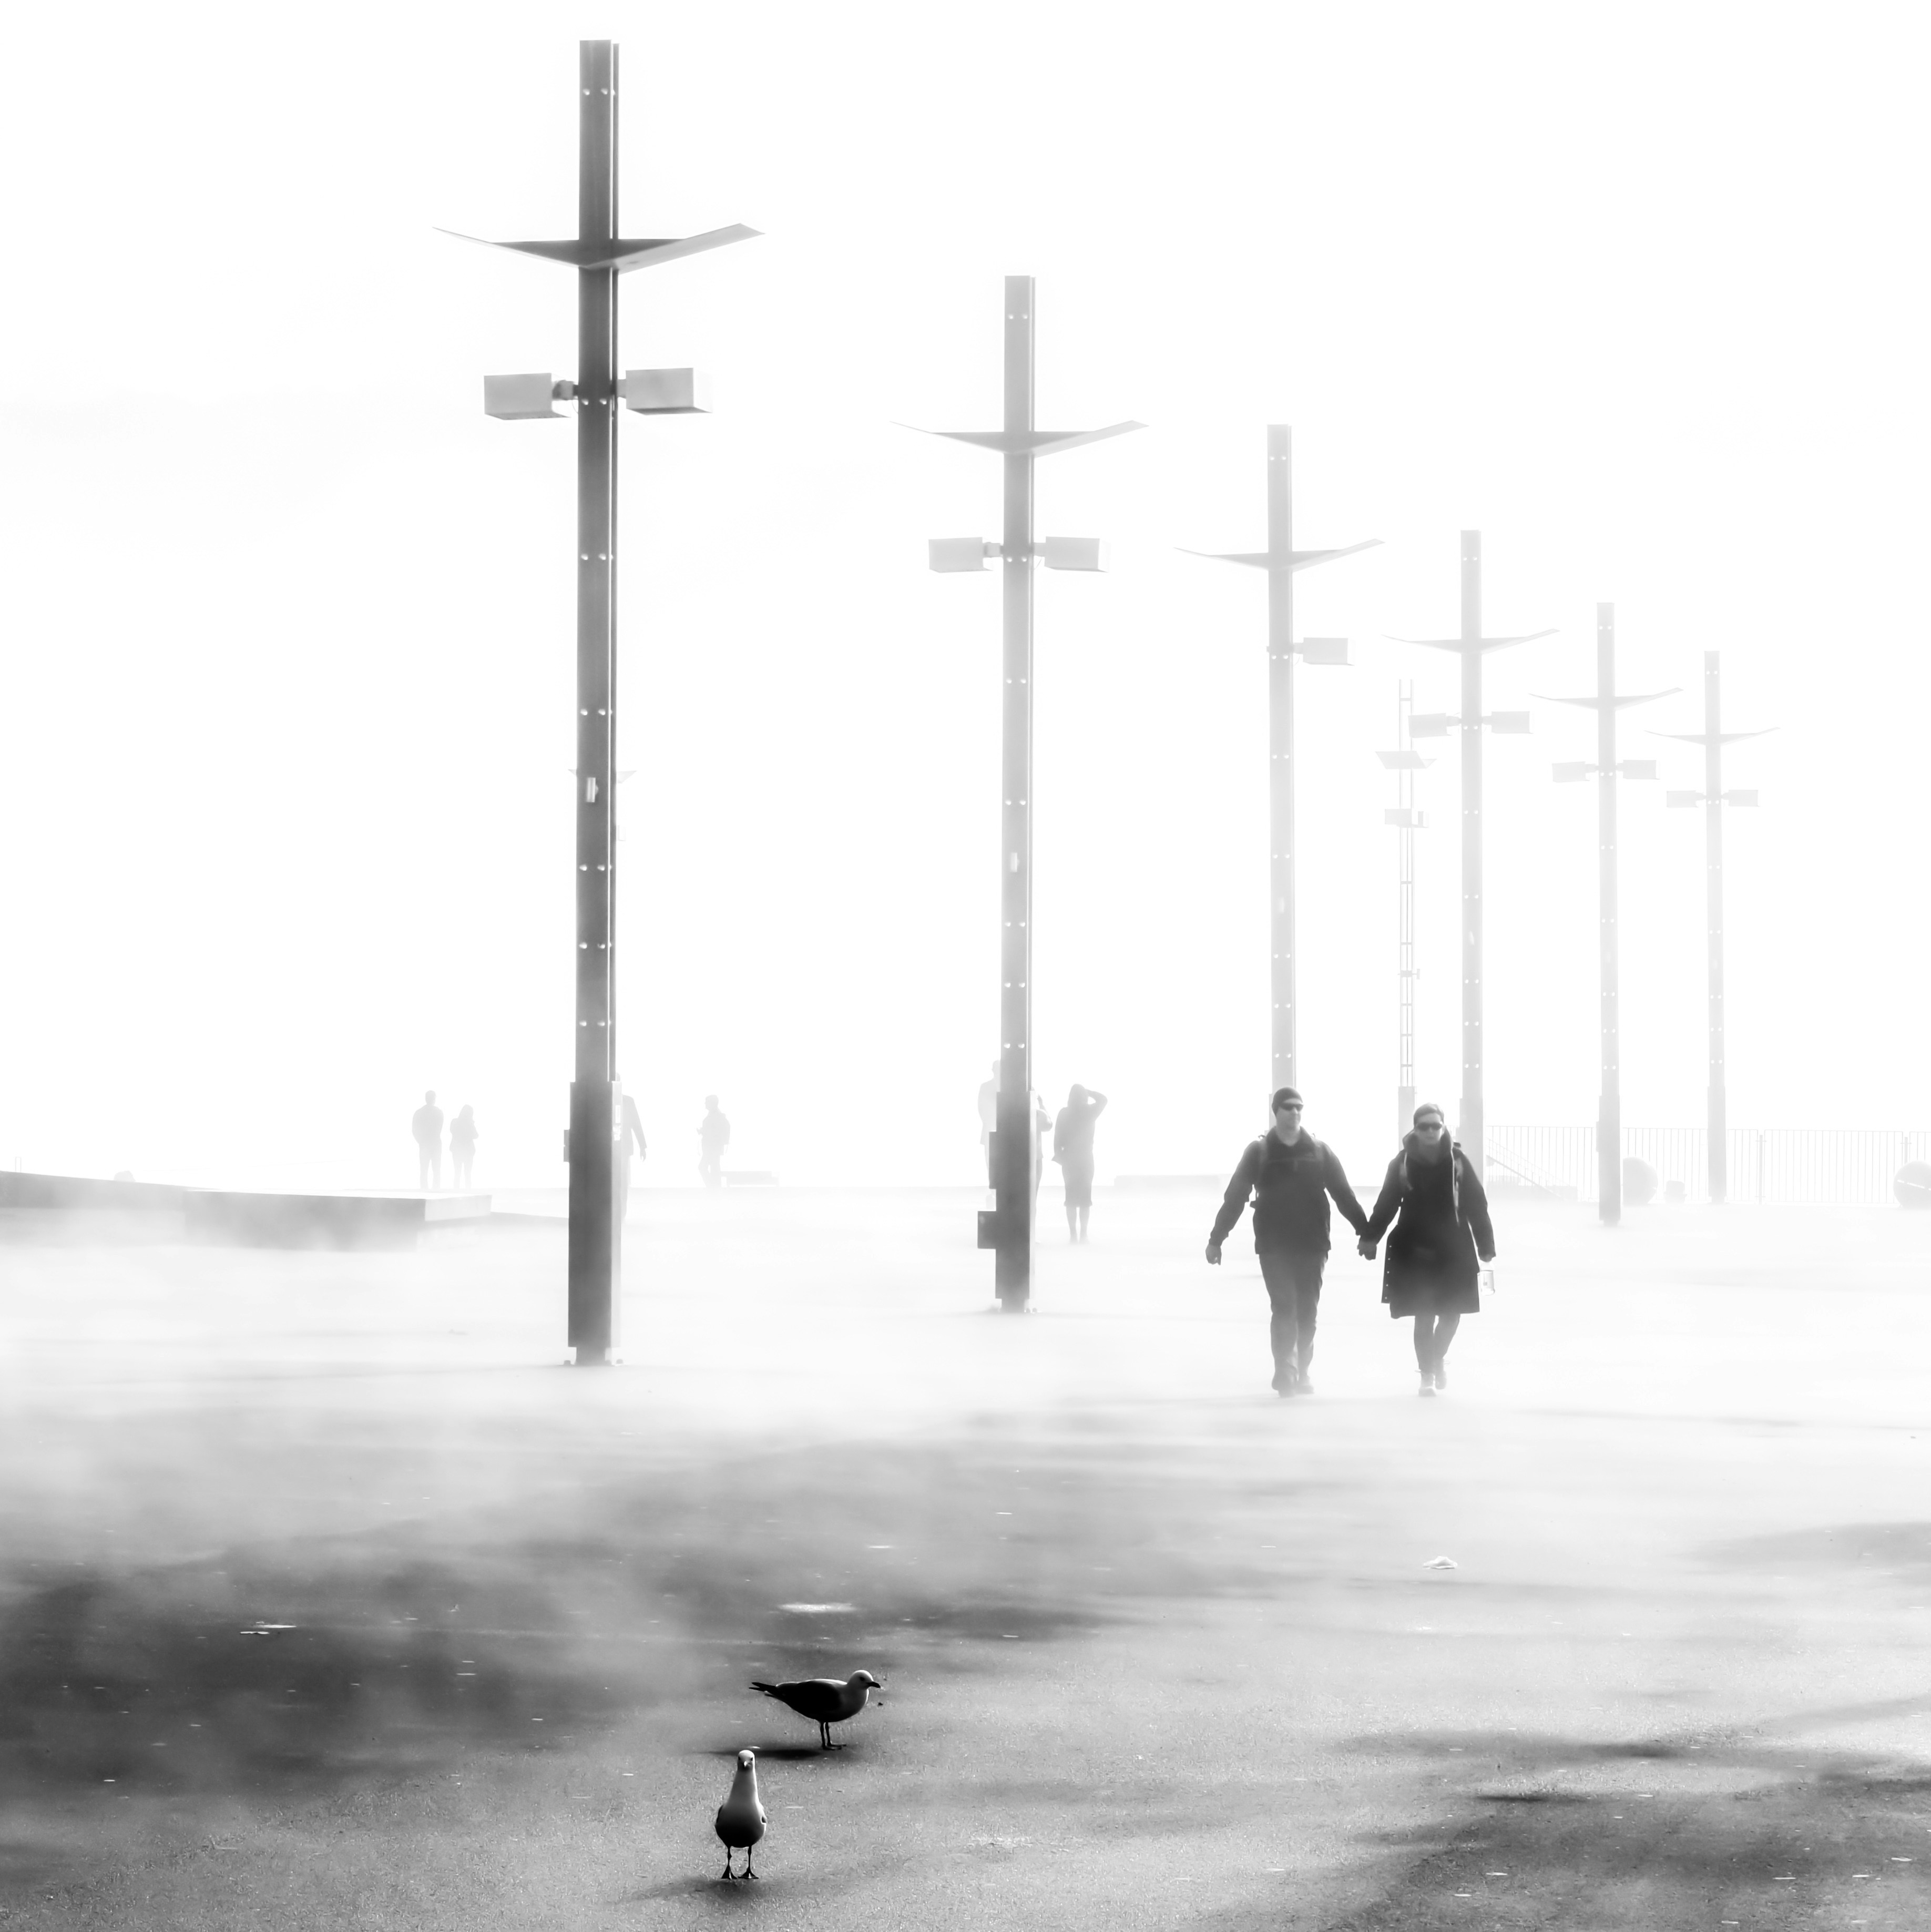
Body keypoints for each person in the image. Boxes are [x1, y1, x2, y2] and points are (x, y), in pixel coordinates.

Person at [1206, 1087, 1368, 1396]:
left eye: (1299, 1108)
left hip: (1313, 1242)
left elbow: (1343, 1194)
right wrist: (1217, 1239)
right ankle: (1285, 1371)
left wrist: (1366, 1232)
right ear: (1275, 1111)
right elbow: (1236, 1197)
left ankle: (1303, 1369)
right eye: (1288, 1107)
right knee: (1284, 1307)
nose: (1295, 1112)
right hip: (1273, 1244)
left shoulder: (1319, 1151)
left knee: (1307, 1310)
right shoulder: (1259, 1152)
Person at [1357, 1103, 1496, 1397]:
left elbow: (1476, 1204)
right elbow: (1387, 1203)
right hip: (1416, 1248)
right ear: (1415, 1130)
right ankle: (1428, 1375)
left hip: (1455, 1248)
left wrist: (1486, 1246)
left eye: (1436, 1126)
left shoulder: (1458, 1161)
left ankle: (1436, 1360)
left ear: (1444, 1128)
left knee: (1452, 1315)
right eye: (1424, 1126)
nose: (1431, 1131)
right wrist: (1371, 1237)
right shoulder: (1402, 1163)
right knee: (1424, 1313)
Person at [1052, 1085, 1109, 1242]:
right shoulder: (1090, 1112)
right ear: (1084, 1097)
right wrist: (1089, 1092)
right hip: (1085, 1158)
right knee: (1085, 1199)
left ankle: (1073, 1235)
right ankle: (1083, 1234)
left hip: (1069, 1158)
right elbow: (1104, 1099)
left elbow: (1057, 1136)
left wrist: (1059, 1155)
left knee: (1070, 1198)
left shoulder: (1064, 1113)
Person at [412, 1090, 444, 1190]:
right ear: (434, 1099)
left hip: (425, 1144)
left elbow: (414, 1130)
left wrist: (421, 1141)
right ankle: (436, 1189)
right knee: (436, 1169)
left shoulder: (419, 1113)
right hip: (435, 1144)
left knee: (424, 1169)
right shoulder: (439, 1112)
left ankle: (424, 1190)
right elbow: (440, 1128)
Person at [618, 1092, 647, 1208]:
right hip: (619, 1146)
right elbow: (636, 1123)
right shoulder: (628, 1101)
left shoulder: (628, 1101)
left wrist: (642, 1146)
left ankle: (621, 1207)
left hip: (623, 1146)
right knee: (622, 1177)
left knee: (623, 1177)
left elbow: (636, 1123)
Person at [698, 1095, 731, 1189]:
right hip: (713, 1147)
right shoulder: (715, 1115)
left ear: (712, 1103)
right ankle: (715, 1188)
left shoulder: (716, 1116)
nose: (705, 1104)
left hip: (712, 1148)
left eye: (706, 1102)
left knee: (704, 1167)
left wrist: (703, 1131)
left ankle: (713, 1188)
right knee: (714, 1167)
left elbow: (714, 1132)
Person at [976, 1062, 999, 1187]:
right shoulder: (985, 1087)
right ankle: (994, 1191)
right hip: (991, 1132)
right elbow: (982, 1109)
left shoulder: (1011, 1088)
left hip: (1006, 1134)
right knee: (991, 1164)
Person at [449, 1104, 478, 1189]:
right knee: (467, 1174)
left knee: (457, 1173)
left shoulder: (454, 1122)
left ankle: (456, 1191)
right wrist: (472, 1124)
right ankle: (468, 1191)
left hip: (457, 1151)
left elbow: (452, 1131)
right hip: (468, 1151)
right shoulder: (469, 1124)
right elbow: (476, 1135)